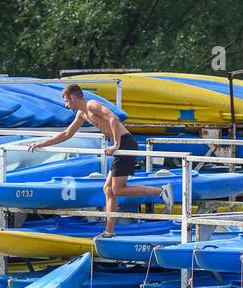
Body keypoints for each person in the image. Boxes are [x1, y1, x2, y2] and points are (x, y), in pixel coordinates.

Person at [26, 83, 174, 236]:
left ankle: (161, 191)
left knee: (117, 189)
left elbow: (113, 118)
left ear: (73, 97)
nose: (66, 105)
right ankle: (109, 231)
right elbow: (67, 134)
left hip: (125, 143)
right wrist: (41, 143)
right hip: (121, 145)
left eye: (66, 101)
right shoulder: (82, 114)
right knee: (108, 189)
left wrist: (116, 144)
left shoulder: (92, 105)